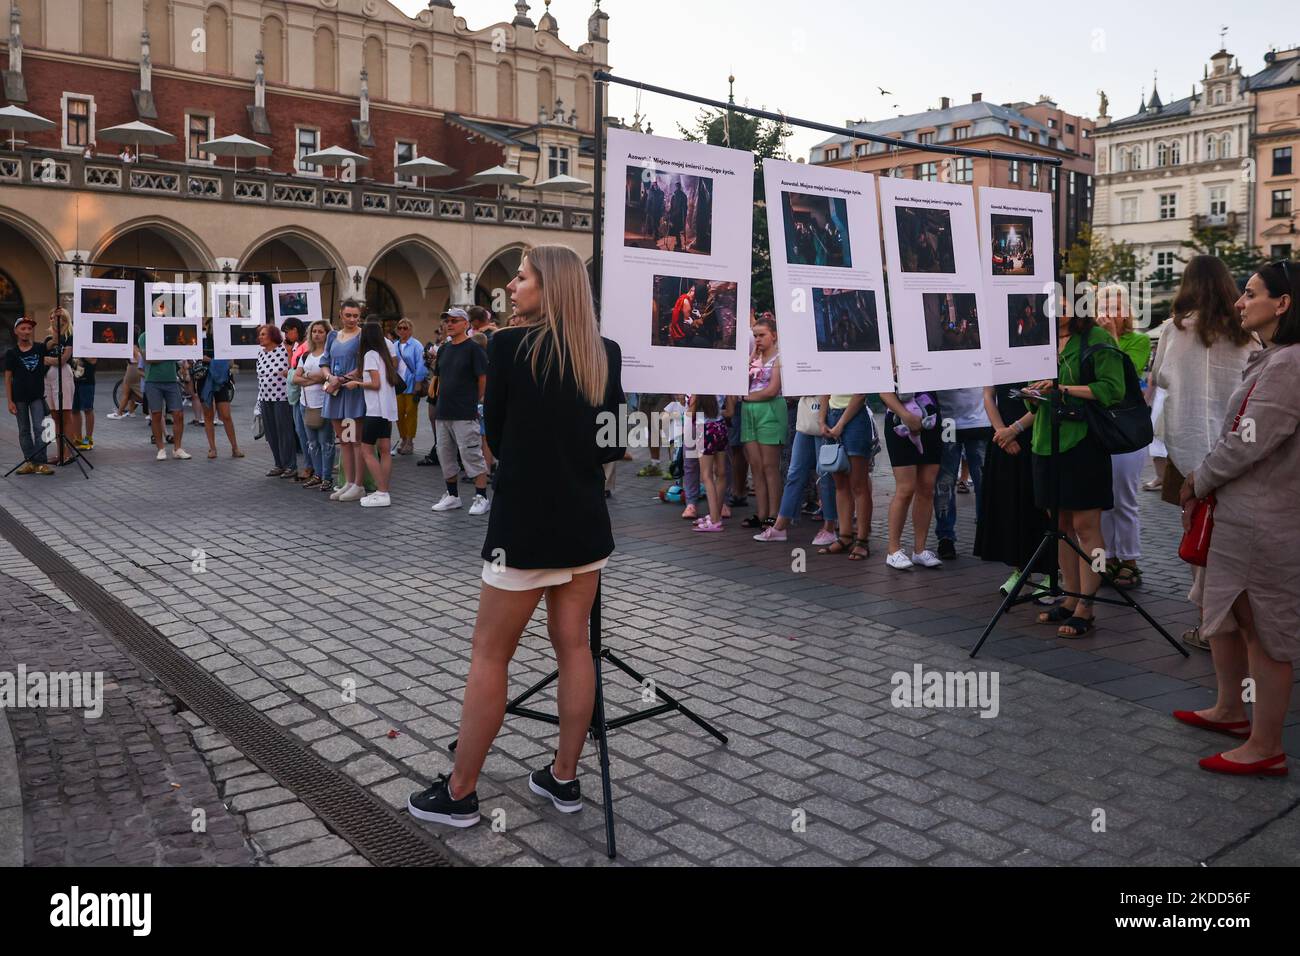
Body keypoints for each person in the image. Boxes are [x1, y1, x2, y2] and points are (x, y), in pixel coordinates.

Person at [407, 245, 624, 827]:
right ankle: (564, 776)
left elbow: (494, 436)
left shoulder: (505, 346)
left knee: (489, 654)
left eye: (521, 277)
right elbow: (612, 442)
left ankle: (460, 791)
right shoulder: (605, 352)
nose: (510, 286)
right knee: (575, 647)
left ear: (549, 286)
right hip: (585, 524)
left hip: (524, 526)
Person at [1175, 259, 1299, 777]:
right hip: (1245, 513)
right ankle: (1230, 710)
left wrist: (1198, 480)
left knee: (1263, 627)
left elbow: (1247, 442)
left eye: (1250, 293)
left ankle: (1265, 744)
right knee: (1229, 615)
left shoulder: (1289, 363)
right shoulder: (1275, 357)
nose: (1239, 303)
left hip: (1264, 518)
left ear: (1283, 304)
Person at [1150, 256, 1260, 650]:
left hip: (1188, 447)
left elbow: (1160, 376)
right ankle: (1234, 623)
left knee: (1199, 533)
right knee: (1231, 538)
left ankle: (1208, 625)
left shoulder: (1173, 330)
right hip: (1236, 451)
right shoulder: (1246, 334)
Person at [1025, 296, 1126, 638]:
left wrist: (1062, 388)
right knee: (1061, 524)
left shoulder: (1096, 339)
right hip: (1044, 441)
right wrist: (1032, 392)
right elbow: (1033, 402)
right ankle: (1069, 596)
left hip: (1082, 441)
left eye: (1063, 300)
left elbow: (1113, 390)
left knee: (1086, 525)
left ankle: (1087, 604)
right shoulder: (1038, 340)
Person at [1096, 285, 1152, 590]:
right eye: (1104, 306)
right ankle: (1108, 558)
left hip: (1127, 429)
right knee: (1103, 500)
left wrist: (1113, 340)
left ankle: (1130, 560)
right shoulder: (1090, 340)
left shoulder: (1138, 340)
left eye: (1116, 307)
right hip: (1099, 428)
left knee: (1125, 499)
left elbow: (1127, 376)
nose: (1109, 313)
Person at [974, 384, 1051, 595]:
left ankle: (1053, 573)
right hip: (1002, 439)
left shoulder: (1041, 353)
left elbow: (1046, 400)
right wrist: (1001, 432)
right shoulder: (995, 355)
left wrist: (1014, 429)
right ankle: (1020, 570)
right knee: (1011, 503)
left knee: (1040, 505)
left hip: (1038, 434)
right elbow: (988, 395)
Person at [752, 395, 838, 546]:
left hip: (823, 415)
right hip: (807, 418)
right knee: (796, 473)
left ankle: (830, 526)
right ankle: (780, 525)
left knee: (825, 474)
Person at [429, 307, 491, 515]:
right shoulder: (445, 349)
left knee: (471, 454)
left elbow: (482, 378)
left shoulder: (473, 349)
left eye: (454, 321)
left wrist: (474, 400)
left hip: (464, 412)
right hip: (444, 411)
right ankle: (452, 495)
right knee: (445, 455)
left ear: (465, 324)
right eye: (447, 321)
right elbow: (439, 377)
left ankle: (482, 496)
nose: (449, 324)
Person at [880, 389, 943, 569]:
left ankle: (920, 550)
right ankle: (893, 551)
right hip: (898, 422)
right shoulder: (891, 360)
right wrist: (904, 414)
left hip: (931, 419)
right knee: (906, 488)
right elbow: (883, 390)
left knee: (927, 487)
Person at [341, 321, 400, 507]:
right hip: (387, 409)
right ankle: (384, 490)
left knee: (367, 451)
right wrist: (358, 378)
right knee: (385, 451)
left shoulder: (370, 355)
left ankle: (382, 492)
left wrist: (356, 384)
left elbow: (375, 384)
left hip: (375, 410)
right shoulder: (383, 354)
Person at [811, 394, 876, 559]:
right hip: (833, 416)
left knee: (858, 484)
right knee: (840, 483)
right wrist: (822, 420)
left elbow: (861, 394)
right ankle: (845, 536)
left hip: (856, 417)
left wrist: (841, 423)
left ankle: (862, 540)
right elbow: (826, 390)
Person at [933, 386, 992, 561]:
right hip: (947, 421)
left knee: (984, 482)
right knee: (945, 482)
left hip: (979, 420)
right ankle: (945, 536)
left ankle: (986, 534)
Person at [740, 317, 784, 529]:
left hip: (770, 410)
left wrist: (747, 398)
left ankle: (774, 514)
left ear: (773, 335)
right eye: (755, 335)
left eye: (762, 335)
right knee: (756, 466)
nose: (757, 339)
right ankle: (761, 512)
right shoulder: (755, 357)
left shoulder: (778, 359)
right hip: (750, 412)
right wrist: (752, 357)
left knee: (770, 466)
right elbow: (740, 382)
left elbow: (772, 390)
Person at [323, 300, 367, 502]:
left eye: (355, 316)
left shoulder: (362, 336)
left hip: (351, 392)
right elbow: (324, 362)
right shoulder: (332, 336)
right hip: (334, 392)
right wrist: (329, 377)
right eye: (348, 315)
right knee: (344, 441)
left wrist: (341, 380)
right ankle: (348, 482)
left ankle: (359, 485)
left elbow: (364, 365)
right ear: (340, 315)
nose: (352, 319)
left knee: (356, 441)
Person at [4, 315, 55, 475]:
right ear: (16, 331)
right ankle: (30, 462)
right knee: (24, 430)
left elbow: (55, 340)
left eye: (29, 328)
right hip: (19, 399)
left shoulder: (40, 348)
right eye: (23, 328)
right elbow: (7, 378)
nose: (26, 331)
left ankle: (41, 462)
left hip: (37, 397)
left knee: (40, 428)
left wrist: (57, 319)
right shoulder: (12, 353)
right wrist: (10, 401)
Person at [293, 320, 336, 492]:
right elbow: (295, 378)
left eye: (321, 331)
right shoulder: (307, 355)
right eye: (314, 331)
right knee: (312, 443)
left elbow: (323, 377)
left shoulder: (328, 354)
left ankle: (327, 477)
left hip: (323, 403)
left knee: (326, 442)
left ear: (327, 334)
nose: (317, 334)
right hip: (306, 404)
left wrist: (307, 377)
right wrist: (312, 378)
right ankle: (317, 474)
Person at [137, 320, 190, 461]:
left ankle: (177, 448)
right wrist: (168, 354)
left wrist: (160, 354)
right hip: (152, 381)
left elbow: (180, 352)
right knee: (156, 414)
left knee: (178, 414)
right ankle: (161, 449)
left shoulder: (171, 334)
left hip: (171, 380)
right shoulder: (144, 336)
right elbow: (148, 359)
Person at [196, 322, 243, 460]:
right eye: (211, 326)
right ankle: (212, 448)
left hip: (221, 381)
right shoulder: (201, 340)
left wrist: (213, 361)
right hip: (205, 380)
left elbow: (230, 362)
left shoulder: (224, 342)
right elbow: (196, 358)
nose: (213, 329)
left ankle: (235, 447)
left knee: (226, 415)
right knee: (208, 415)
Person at [687, 394, 733, 532]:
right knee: (721, 473)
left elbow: (690, 414)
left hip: (704, 429)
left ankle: (714, 520)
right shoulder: (723, 384)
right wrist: (718, 412)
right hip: (720, 427)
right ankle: (715, 514)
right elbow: (730, 412)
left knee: (706, 476)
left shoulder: (698, 389)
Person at [255, 324, 297, 477]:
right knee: (271, 433)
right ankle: (278, 464)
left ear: (273, 335)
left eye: (264, 334)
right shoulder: (260, 353)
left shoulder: (284, 350)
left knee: (284, 431)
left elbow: (292, 368)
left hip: (281, 397)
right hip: (265, 397)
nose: (260, 337)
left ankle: (290, 465)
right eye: (260, 334)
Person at [280, 317, 312, 482]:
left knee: (305, 431)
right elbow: (292, 365)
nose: (286, 334)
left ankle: (310, 466)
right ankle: (309, 465)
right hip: (296, 393)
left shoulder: (306, 345)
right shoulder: (298, 345)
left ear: (295, 329)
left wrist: (291, 373)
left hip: (303, 393)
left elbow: (298, 368)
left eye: (287, 331)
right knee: (300, 431)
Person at [42, 309, 76, 465]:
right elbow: (42, 356)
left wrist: (48, 359)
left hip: (63, 376)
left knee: (66, 415)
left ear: (65, 320)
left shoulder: (69, 337)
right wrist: (50, 358)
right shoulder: (49, 339)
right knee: (55, 417)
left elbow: (63, 360)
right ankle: (59, 453)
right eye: (53, 318)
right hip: (48, 378)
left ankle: (67, 454)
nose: (56, 321)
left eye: (60, 318)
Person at [393, 318, 426, 456]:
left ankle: (409, 441)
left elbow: (421, 364)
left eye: (405, 328)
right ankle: (403, 437)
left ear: (410, 330)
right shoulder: (394, 345)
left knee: (411, 413)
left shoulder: (416, 345)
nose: (402, 330)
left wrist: (418, 382)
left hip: (411, 382)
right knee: (398, 413)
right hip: (398, 383)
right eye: (399, 328)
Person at [107, 343, 144, 419]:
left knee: (125, 393)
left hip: (133, 369)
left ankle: (119, 413)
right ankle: (131, 411)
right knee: (132, 391)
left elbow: (138, 358)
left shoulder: (132, 347)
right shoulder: (139, 347)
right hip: (135, 369)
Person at [71, 351, 97, 450]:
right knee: (74, 410)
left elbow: (93, 359)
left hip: (87, 381)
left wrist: (79, 351)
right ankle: (78, 439)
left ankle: (88, 439)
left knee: (87, 409)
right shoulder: (70, 340)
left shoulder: (89, 342)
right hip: (72, 380)